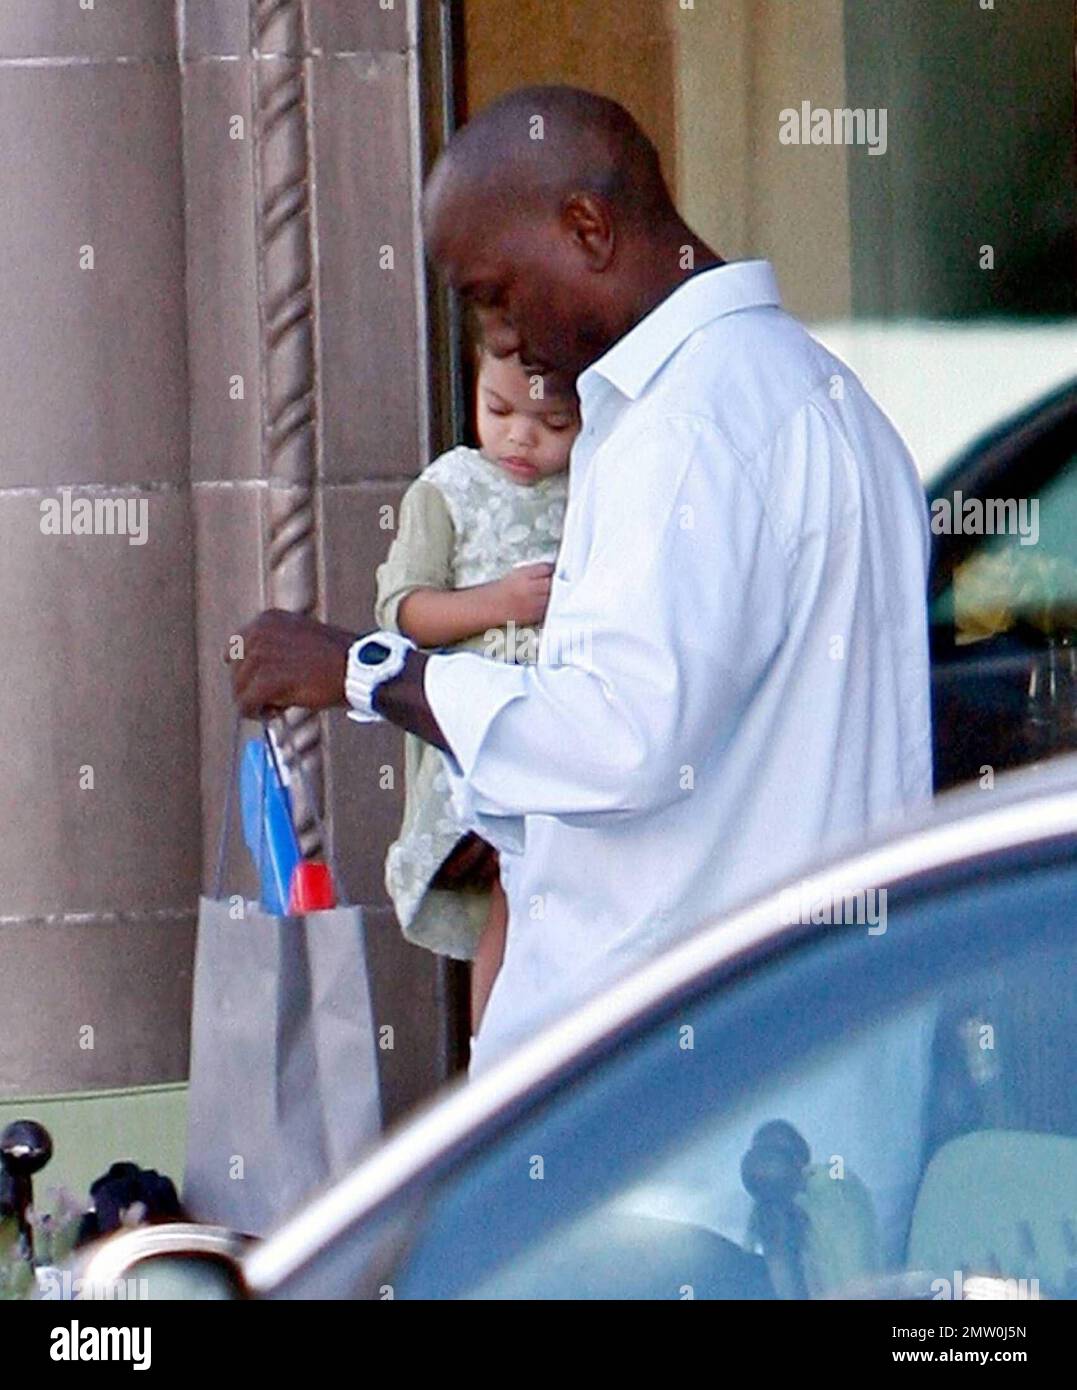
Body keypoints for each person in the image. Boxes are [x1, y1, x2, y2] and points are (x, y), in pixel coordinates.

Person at [230, 87, 933, 1094]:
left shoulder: (682, 427)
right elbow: (727, 748)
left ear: (588, 229)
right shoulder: (824, 397)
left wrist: (364, 668)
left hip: (674, 1120)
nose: (505, 341)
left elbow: (619, 734)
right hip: (806, 1085)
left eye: (497, 294)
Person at [372, 340, 577, 1034]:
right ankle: (492, 1059)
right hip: (477, 736)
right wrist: (499, 602)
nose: (521, 436)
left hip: (568, 731)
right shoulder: (450, 488)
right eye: (499, 410)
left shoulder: (598, 485)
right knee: (506, 892)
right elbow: (403, 612)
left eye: (554, 425)